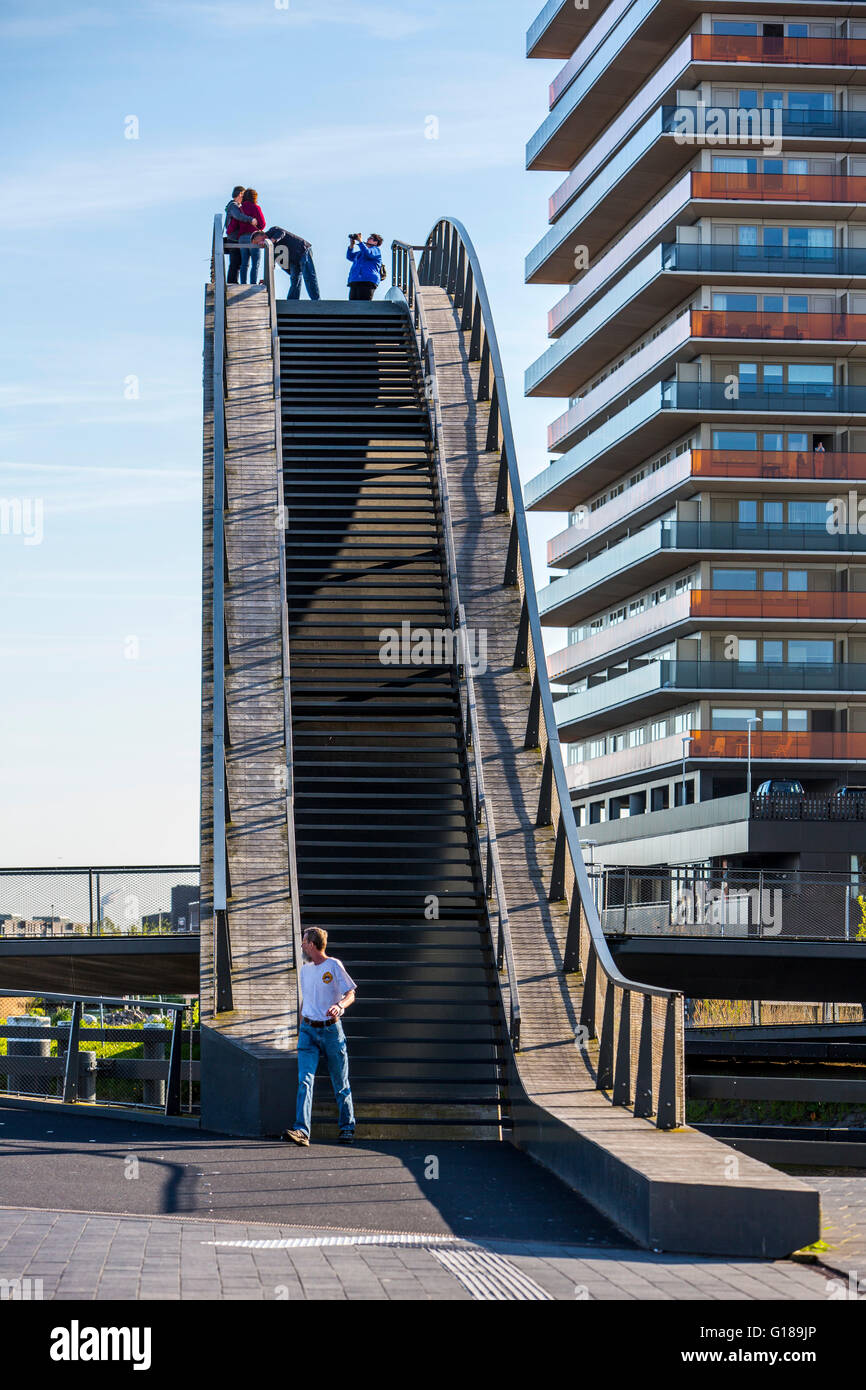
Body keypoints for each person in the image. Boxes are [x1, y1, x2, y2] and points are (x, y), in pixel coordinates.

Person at [282, 927, 357, 1146]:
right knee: (304, 1080)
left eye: (304, 942)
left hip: (331, 1030)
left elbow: (351, 993)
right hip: (308, 1030)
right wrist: (300, 1026)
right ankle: (302, 1131)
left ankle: (347, 1127)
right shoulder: (305, 970)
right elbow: (306, 1001)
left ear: (312, 945)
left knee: (340, 1082)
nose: (302, 946)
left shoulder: (333, 965)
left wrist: (339, 1005)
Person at [253, 226, 320, 300]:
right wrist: (266, 278)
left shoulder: (273, 230)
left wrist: (271, 241)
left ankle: (316, 300)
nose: (258, 245)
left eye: (257, 242)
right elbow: (271, 265)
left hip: (302, 250)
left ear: (261, 236)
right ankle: (292, 301)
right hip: (293, 260)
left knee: (308, 276)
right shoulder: (270, 248)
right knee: (294, 279)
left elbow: (281, 233)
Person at [224, 186, 256, 285]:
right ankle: (232, 282)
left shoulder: (234, 205)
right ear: (240, 194)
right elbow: (238, 216)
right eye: (243, 195)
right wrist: (251, 219)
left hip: (234, 238)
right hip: (233, 238)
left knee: (237, 262)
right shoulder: (233, 205)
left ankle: (233, 282)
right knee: (235, 262)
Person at [234, 188, 266, 285]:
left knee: (244, 263)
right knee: (255, 263)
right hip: (253, 238)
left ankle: (243, 284)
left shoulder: (240, 208)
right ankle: (252, 284)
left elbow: (235, 224)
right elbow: (262, 224)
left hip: (242, 238)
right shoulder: (256, 207)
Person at [346, 232, 384, 300]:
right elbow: (350, 256)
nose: (367, 240)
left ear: (375, 242)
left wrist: (360, 241)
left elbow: (368, 253)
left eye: (370, 238)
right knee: (352, 305)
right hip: (355, 280)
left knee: (364, 305)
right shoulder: (360, 253)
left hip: (367, 281)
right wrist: (352, 245)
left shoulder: (376, 250)